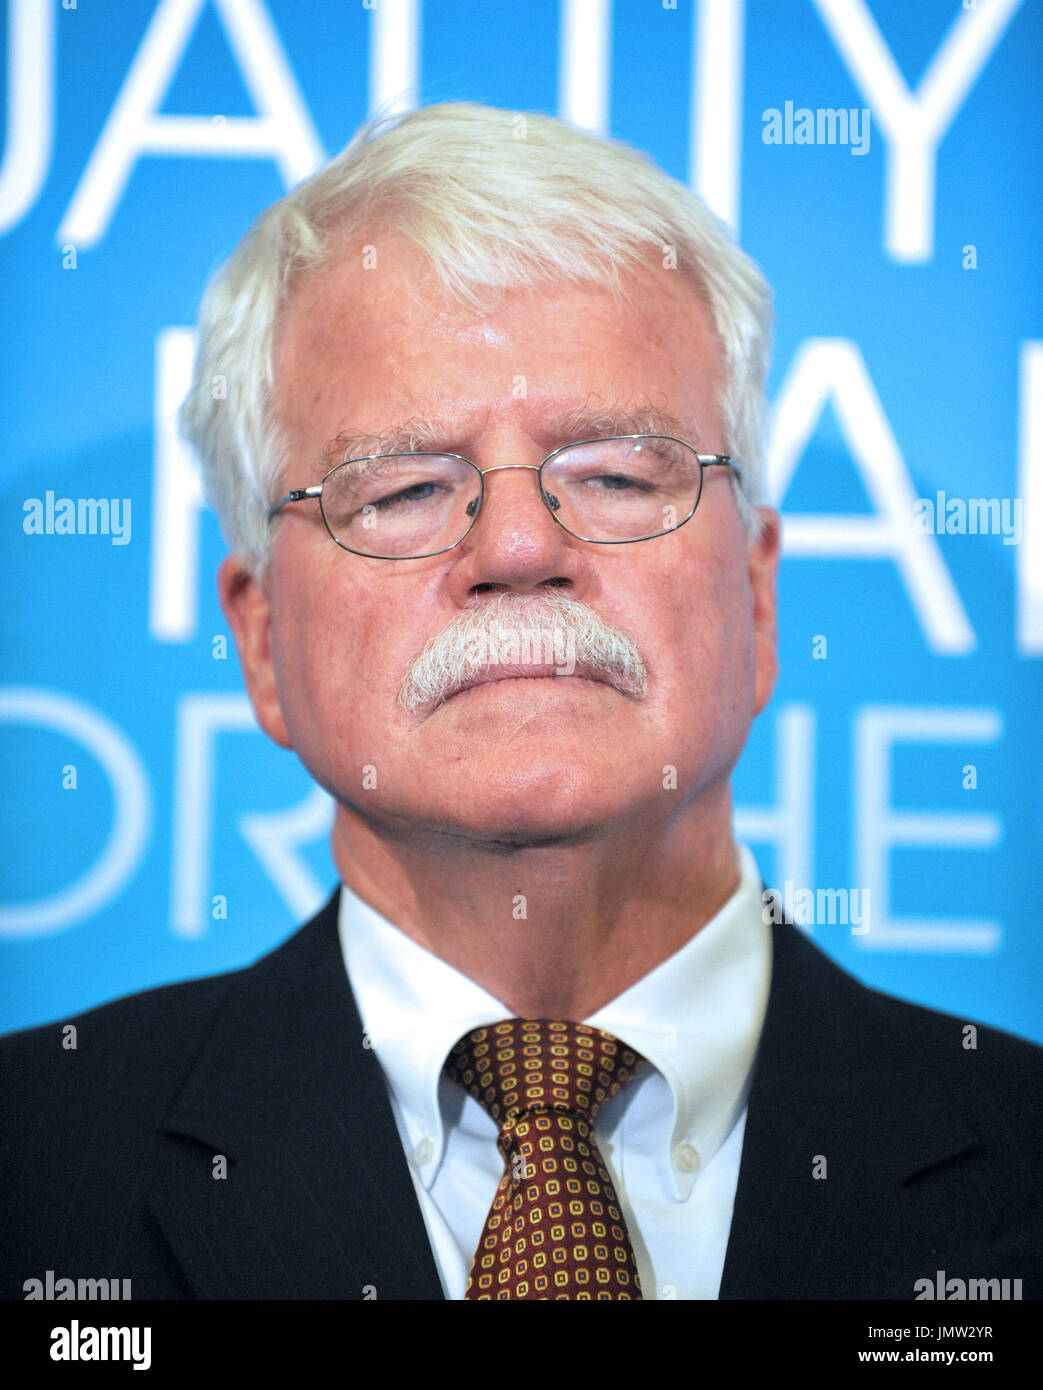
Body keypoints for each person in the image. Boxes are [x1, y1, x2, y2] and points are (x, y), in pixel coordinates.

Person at [2, 102, 1040, 1302]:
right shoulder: (36, 1170)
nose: (513, 544)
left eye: (612, 471)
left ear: (756, 599)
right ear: (262, 642)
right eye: (398, 489)